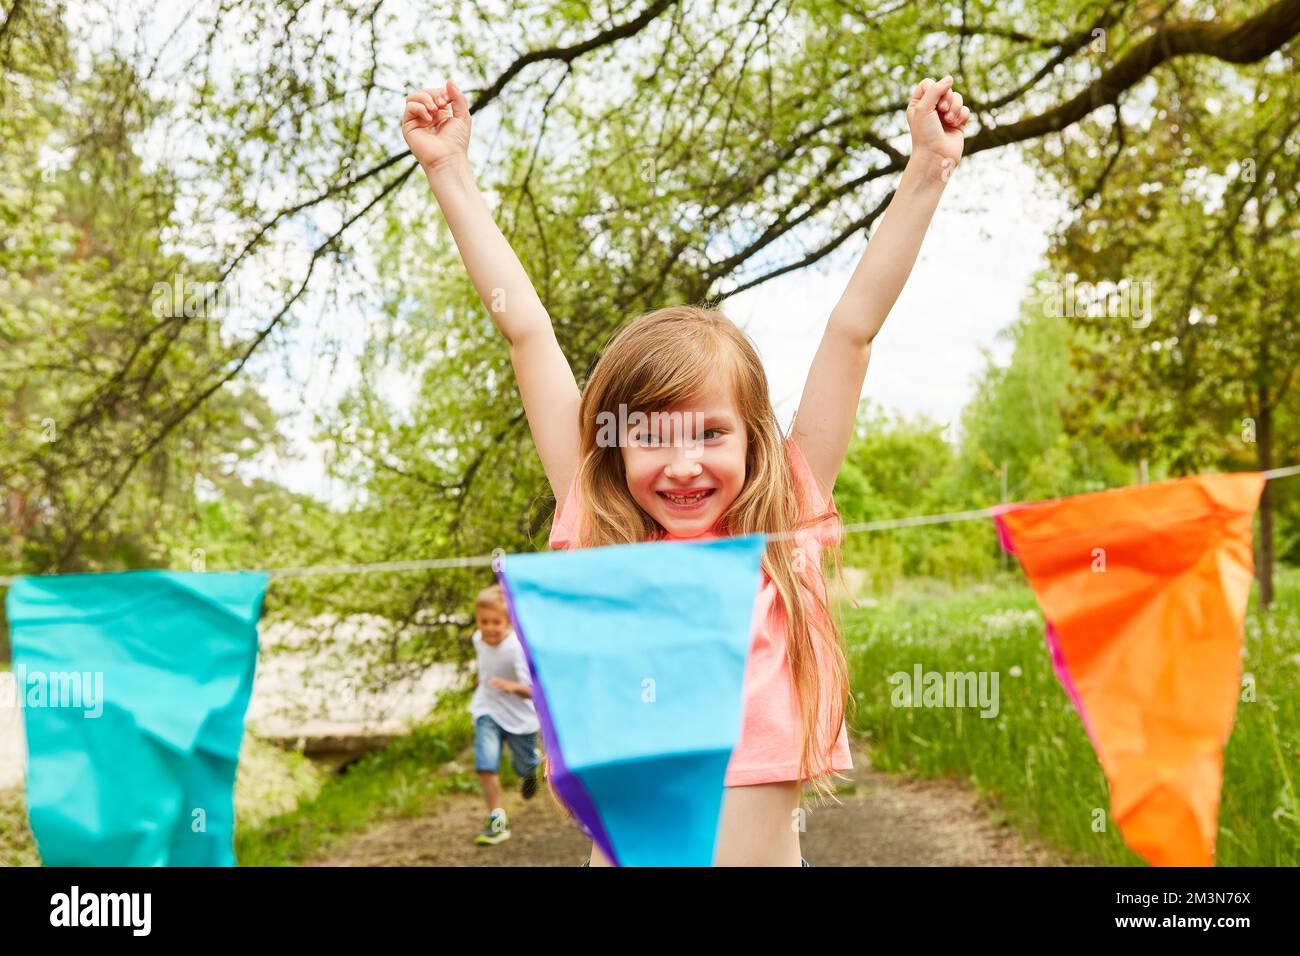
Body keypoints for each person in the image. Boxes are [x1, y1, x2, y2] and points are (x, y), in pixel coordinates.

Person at [401, 74, 969, 865]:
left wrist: (928, 170)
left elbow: (852, 332)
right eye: (653, 437)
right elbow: (528, 334)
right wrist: (449, 171)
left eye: (709, 432)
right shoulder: (604, 535)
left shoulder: (781, 528)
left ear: (751, 441)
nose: (684, 463)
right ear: (616, 448)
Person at [467, 584, 540, 846]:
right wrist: (483, 681)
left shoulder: (515, 649)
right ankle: (497, 819)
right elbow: (486, 666)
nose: (489, 628)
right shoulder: (478, 639)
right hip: (487, 708)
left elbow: (534, 690)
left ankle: (531, 770)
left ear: (509, 622)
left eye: (496, 622)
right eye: (483, 621)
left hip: (520, 717)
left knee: (524, 765)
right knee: (485, 764)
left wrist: (513, 687)